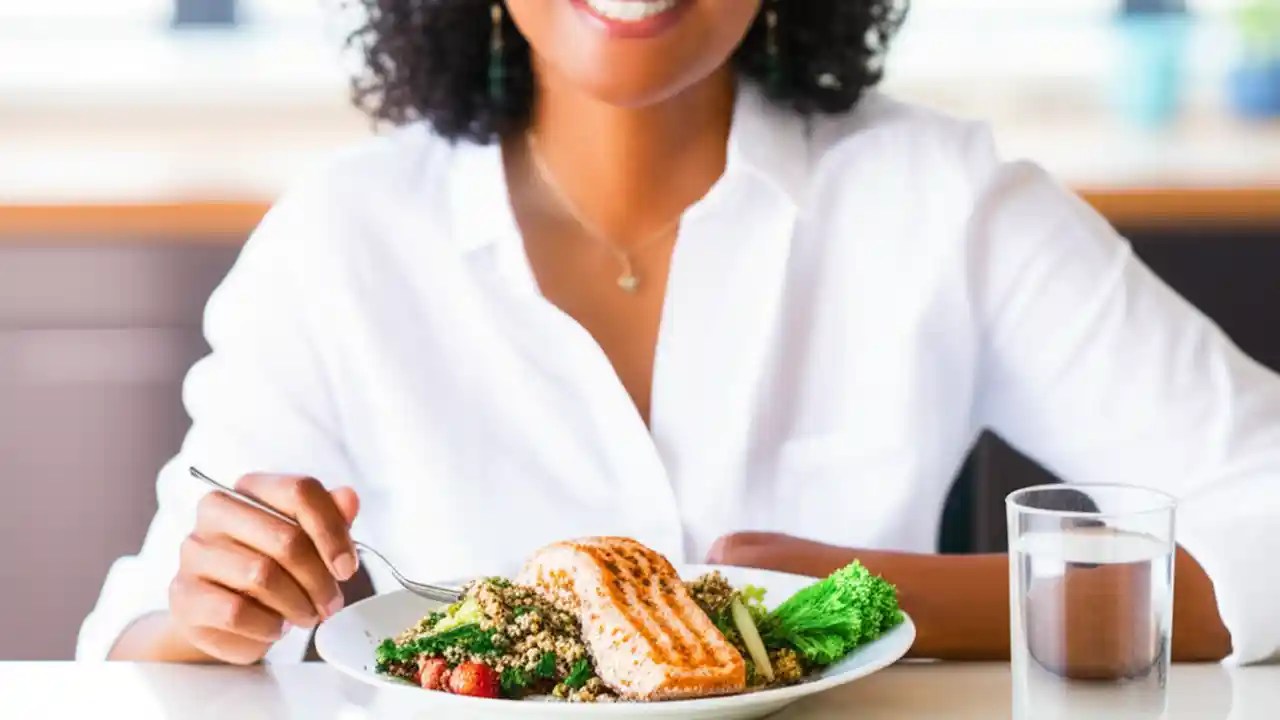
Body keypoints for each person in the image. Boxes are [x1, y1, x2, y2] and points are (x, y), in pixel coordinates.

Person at [82, 0, 1279, 667]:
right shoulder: (341, 239)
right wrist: (210, 612)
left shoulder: (943, 201)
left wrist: (869, 605)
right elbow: (131, 645)